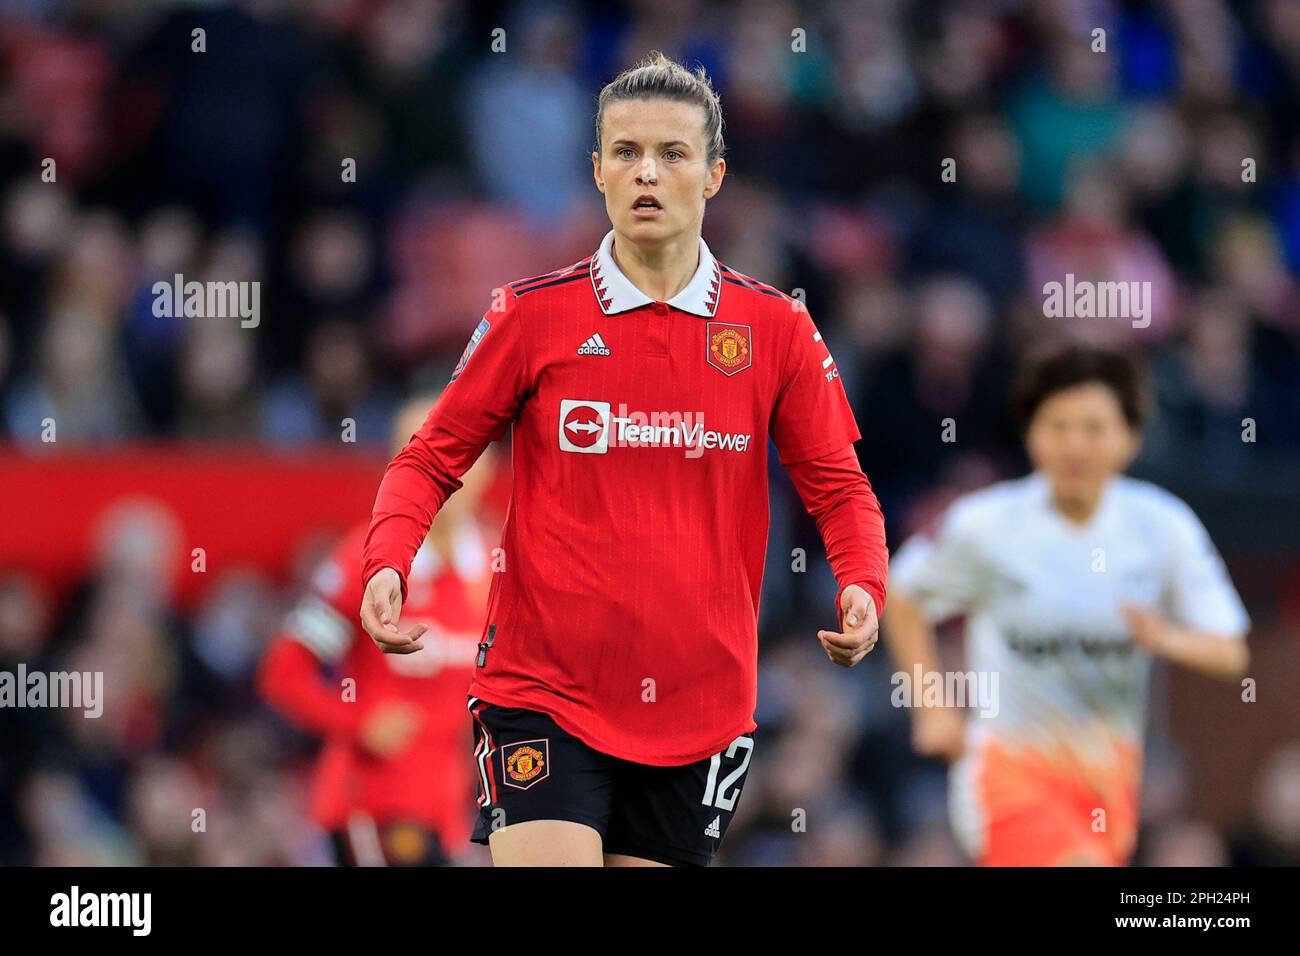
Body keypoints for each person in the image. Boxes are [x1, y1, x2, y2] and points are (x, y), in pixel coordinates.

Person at [357, 53, 889, 867]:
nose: (648, 173)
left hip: (701, 707)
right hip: (543, 692)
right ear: (597, 170)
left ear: (713, 175)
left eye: (672, 154)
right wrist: (389, 558)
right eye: (627, 152)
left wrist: (861, 583)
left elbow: (840, 486)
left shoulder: (776, 329)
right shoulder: (531, 317)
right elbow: (430, 456)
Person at [884, 344, 1251, 866]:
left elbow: (1230, 652)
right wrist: (931, 708)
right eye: (1058, 427)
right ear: (1031, 433)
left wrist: (1163, 636)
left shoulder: (1162, 527)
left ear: (1131, 437)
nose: (1074, 445)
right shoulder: (988, 525)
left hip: (1109, 783)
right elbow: (903, 593)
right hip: (1007, 775)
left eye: (1094, 428)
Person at [258, 395, 496, 866]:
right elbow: (284, 674)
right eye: (424, 447)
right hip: (372, 803)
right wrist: (360, 722)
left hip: (452, 811)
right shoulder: (361, 564)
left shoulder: (495, 568)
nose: (447, 465)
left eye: (463, 448)